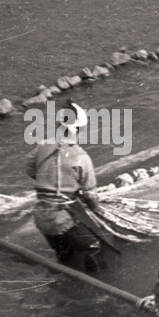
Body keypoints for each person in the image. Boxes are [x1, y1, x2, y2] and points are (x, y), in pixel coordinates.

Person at [24, 101, 104, 272]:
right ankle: (95, 285)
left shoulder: (43, 145)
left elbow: (29, 167)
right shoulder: (81, 157)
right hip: (61, 219)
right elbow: (90, 194)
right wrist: (97, 210)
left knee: (65, 256)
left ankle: (65, 283)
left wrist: (48, 183)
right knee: (93, 247)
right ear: (79, 130)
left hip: (41, 216)